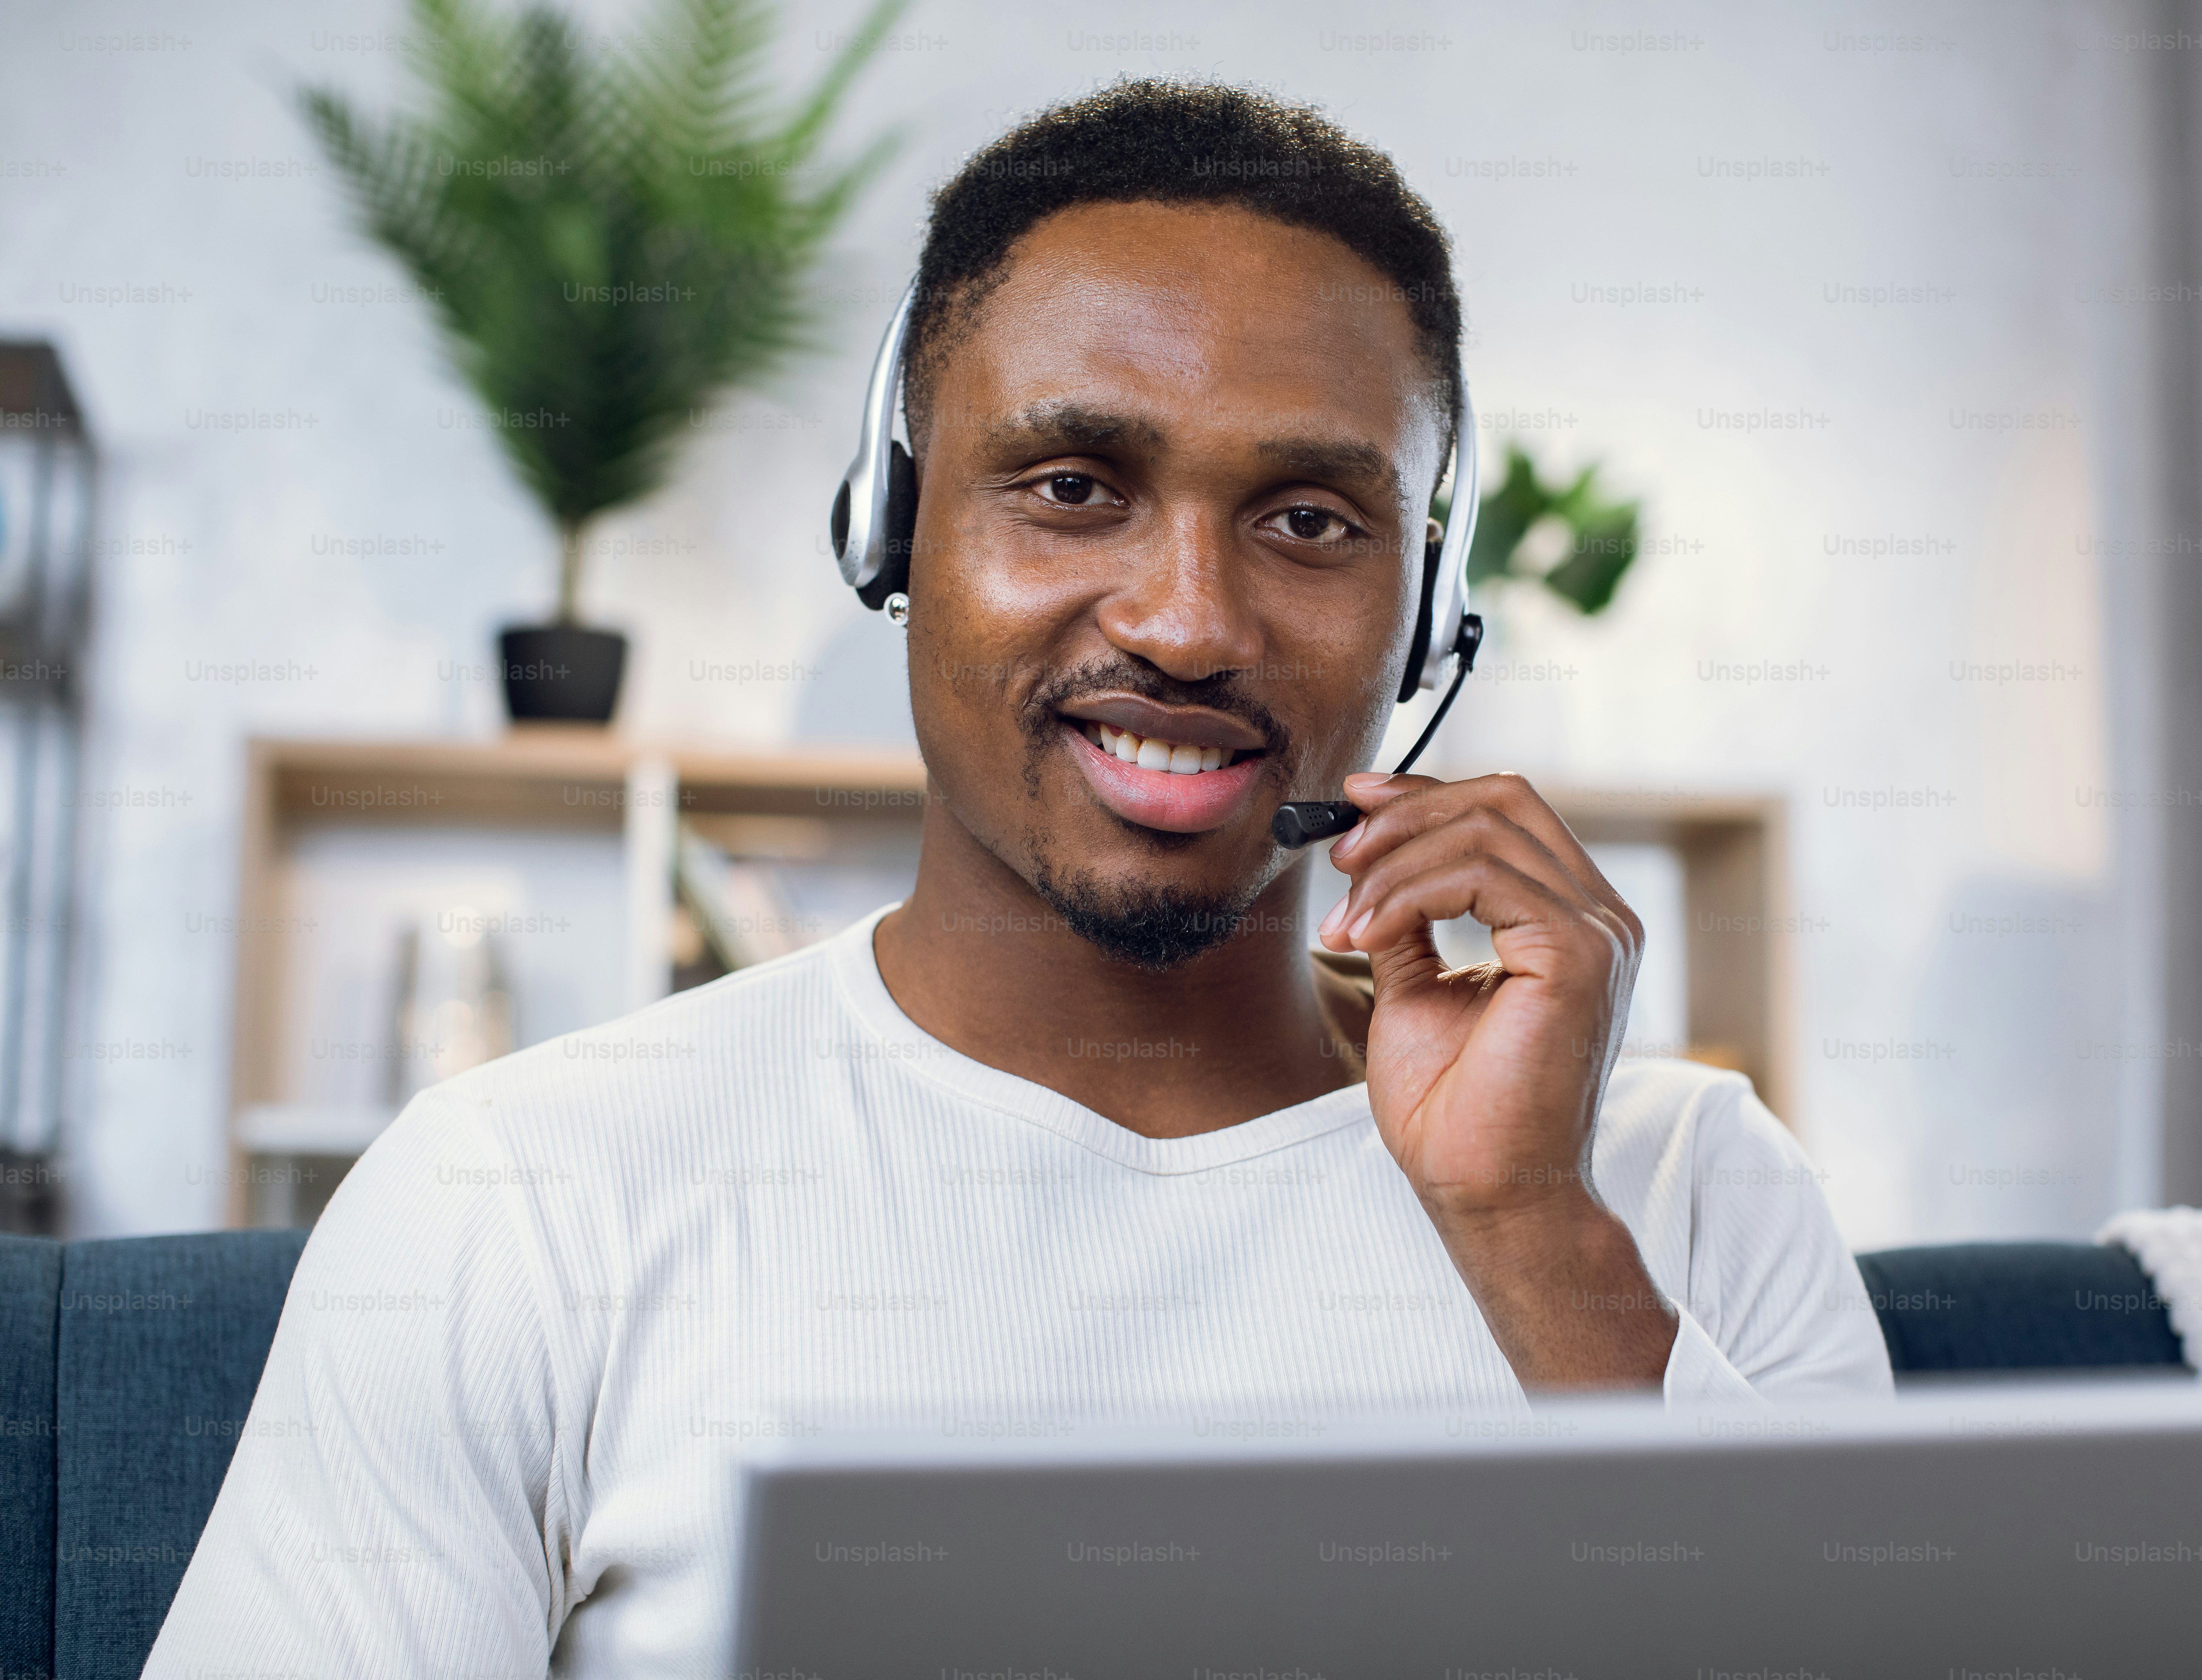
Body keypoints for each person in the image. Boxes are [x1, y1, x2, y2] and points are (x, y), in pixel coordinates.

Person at [146, 80, 1890, 1677]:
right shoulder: (517, 1194)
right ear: (894, 531)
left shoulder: (1682, 1192)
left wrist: (1530, 1233)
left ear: (1428, 617)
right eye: (1073, 486)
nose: (1190, 620)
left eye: (1308, 520)